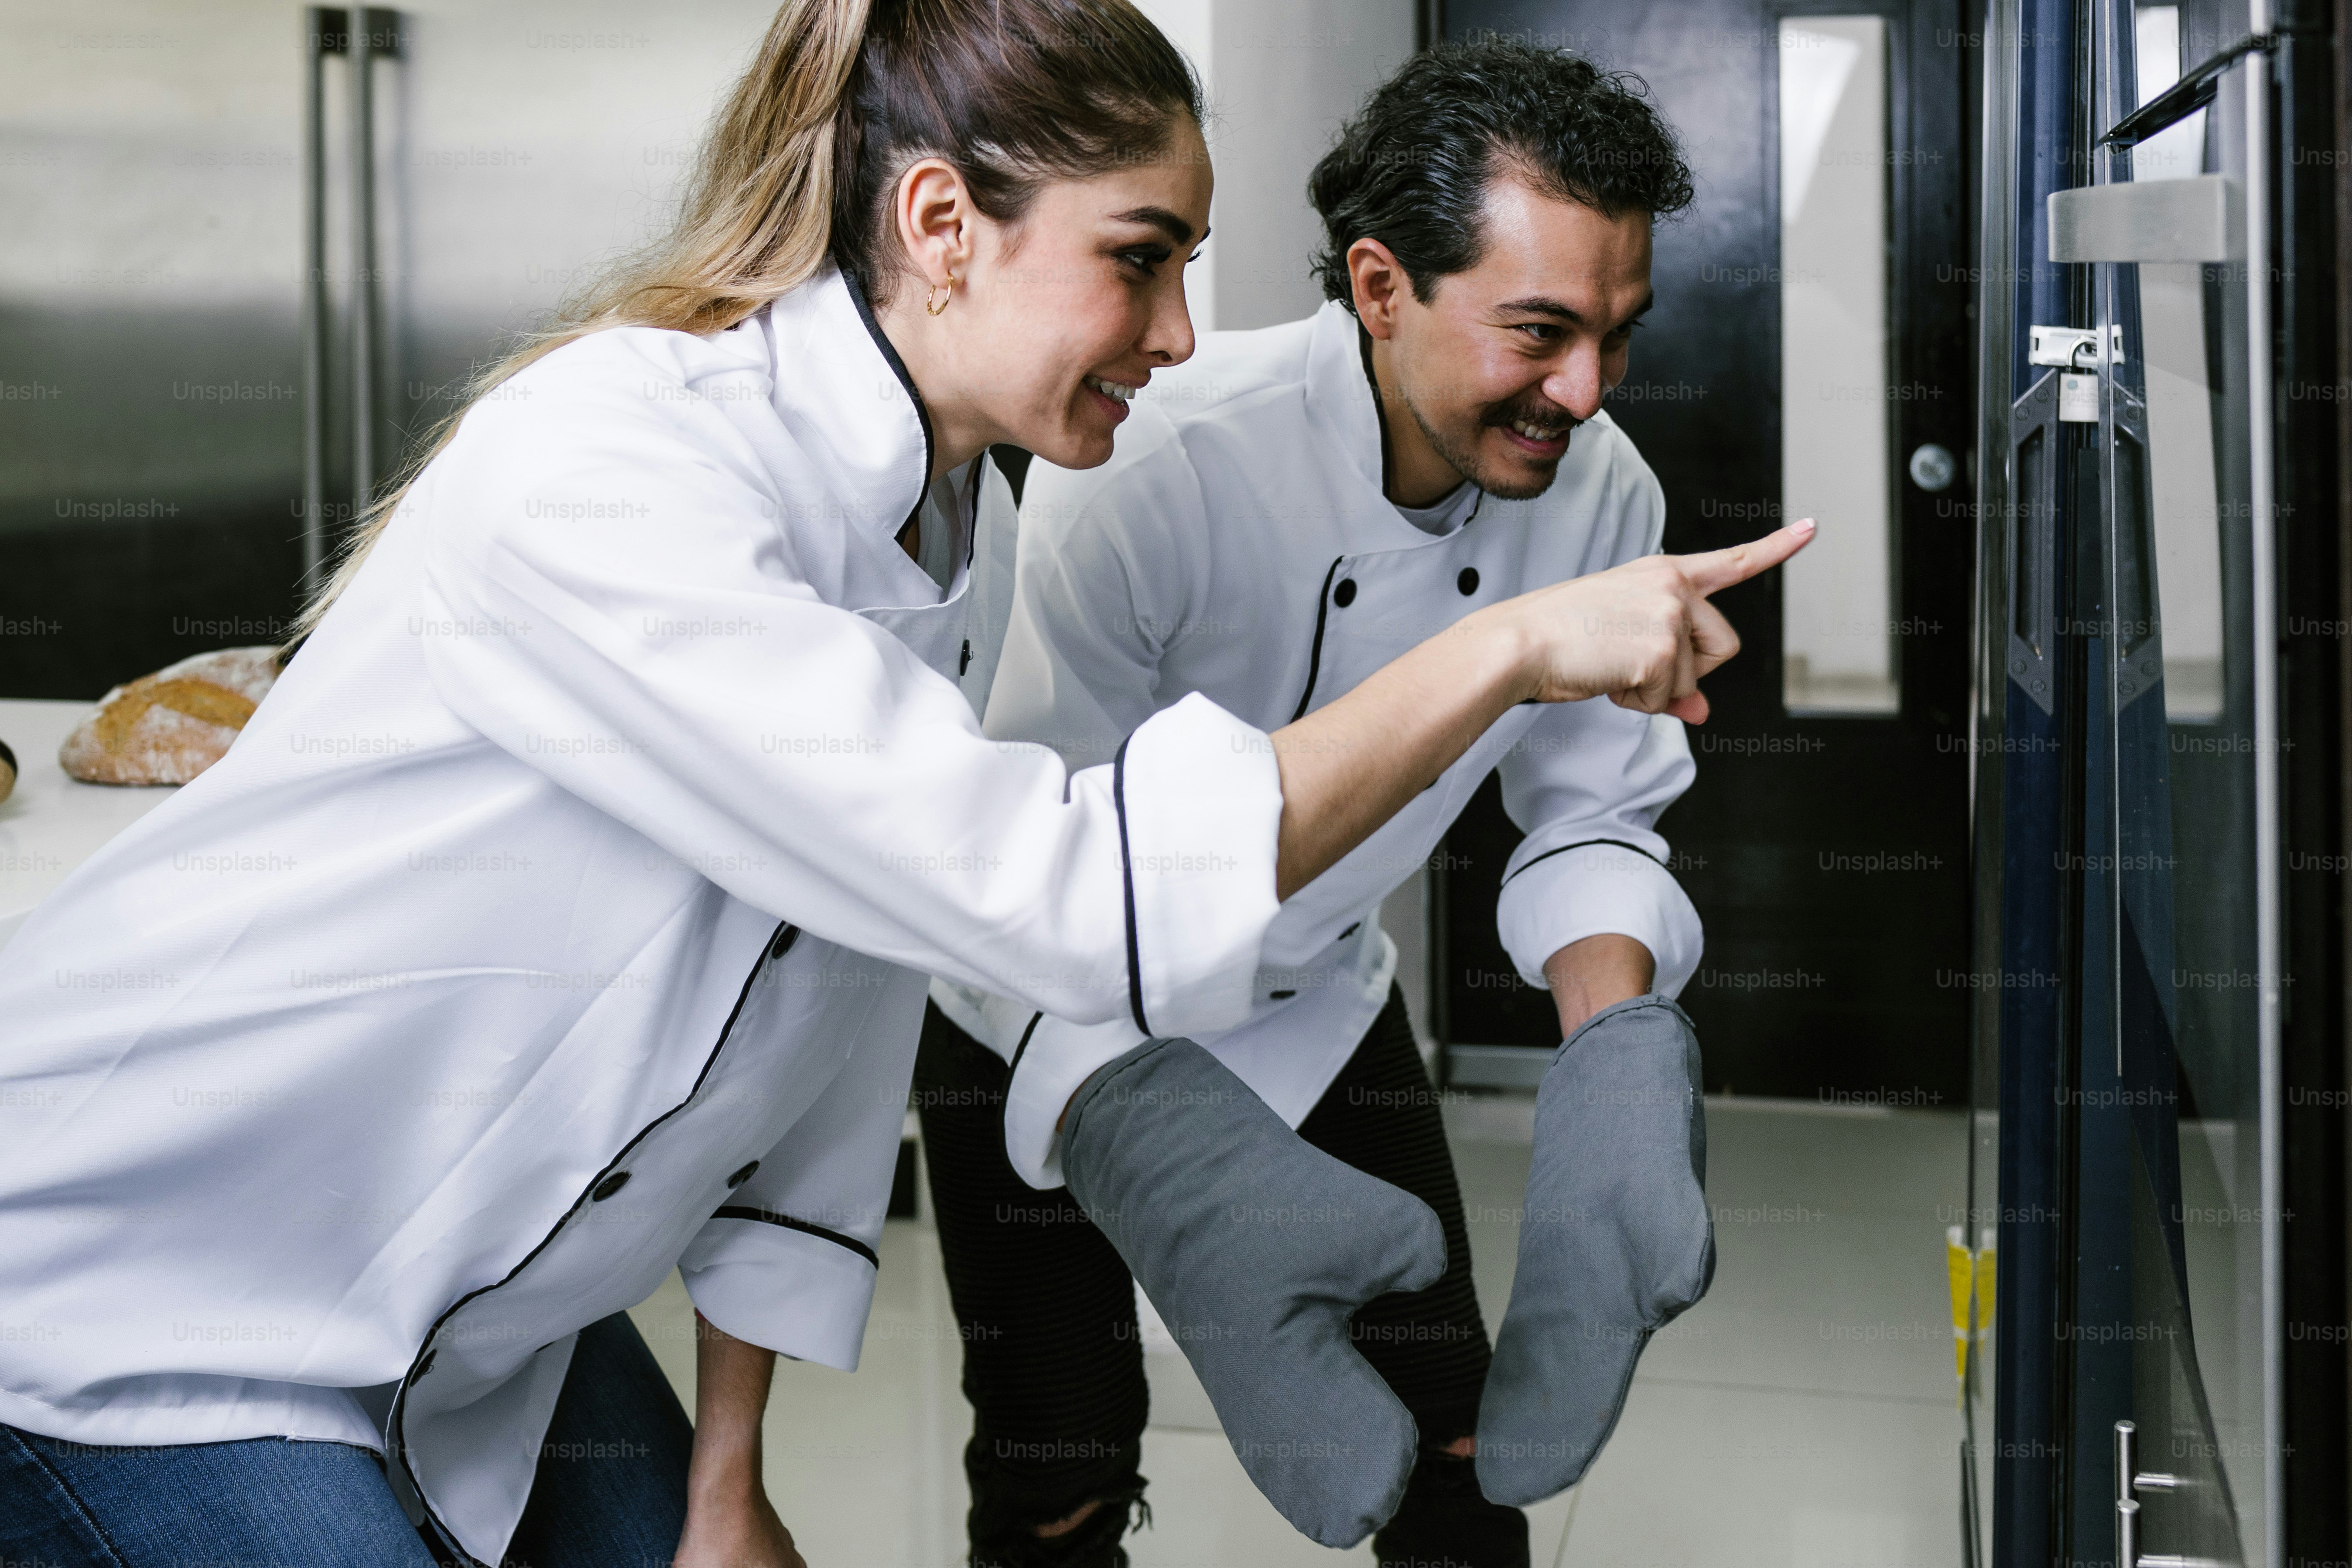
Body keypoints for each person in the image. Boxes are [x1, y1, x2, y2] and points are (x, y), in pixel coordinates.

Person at [0, 3, 1801, 1565]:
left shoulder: (928, 534)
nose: (1179, 329)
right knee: (1056, 1443)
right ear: (939, 224)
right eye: (1141, 256)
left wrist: (729, 1473)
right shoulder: (622, 460)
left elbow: (818, 1033)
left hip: (471, 1305)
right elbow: (1042, 891)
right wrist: (1504, 648)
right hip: (152, 1288)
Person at [903, 41, 1720, 1568]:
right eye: (1540, 331)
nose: (1586, 391)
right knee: (1058, 1474)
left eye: (1616, 334)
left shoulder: (1602, 488)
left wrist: (1613, 1062)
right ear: (1381, 284)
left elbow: (1588, 809)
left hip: (1311, 989)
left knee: (1463, 1449)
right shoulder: (1156, 461)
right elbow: (1038, 871)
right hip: (1047, 1014)